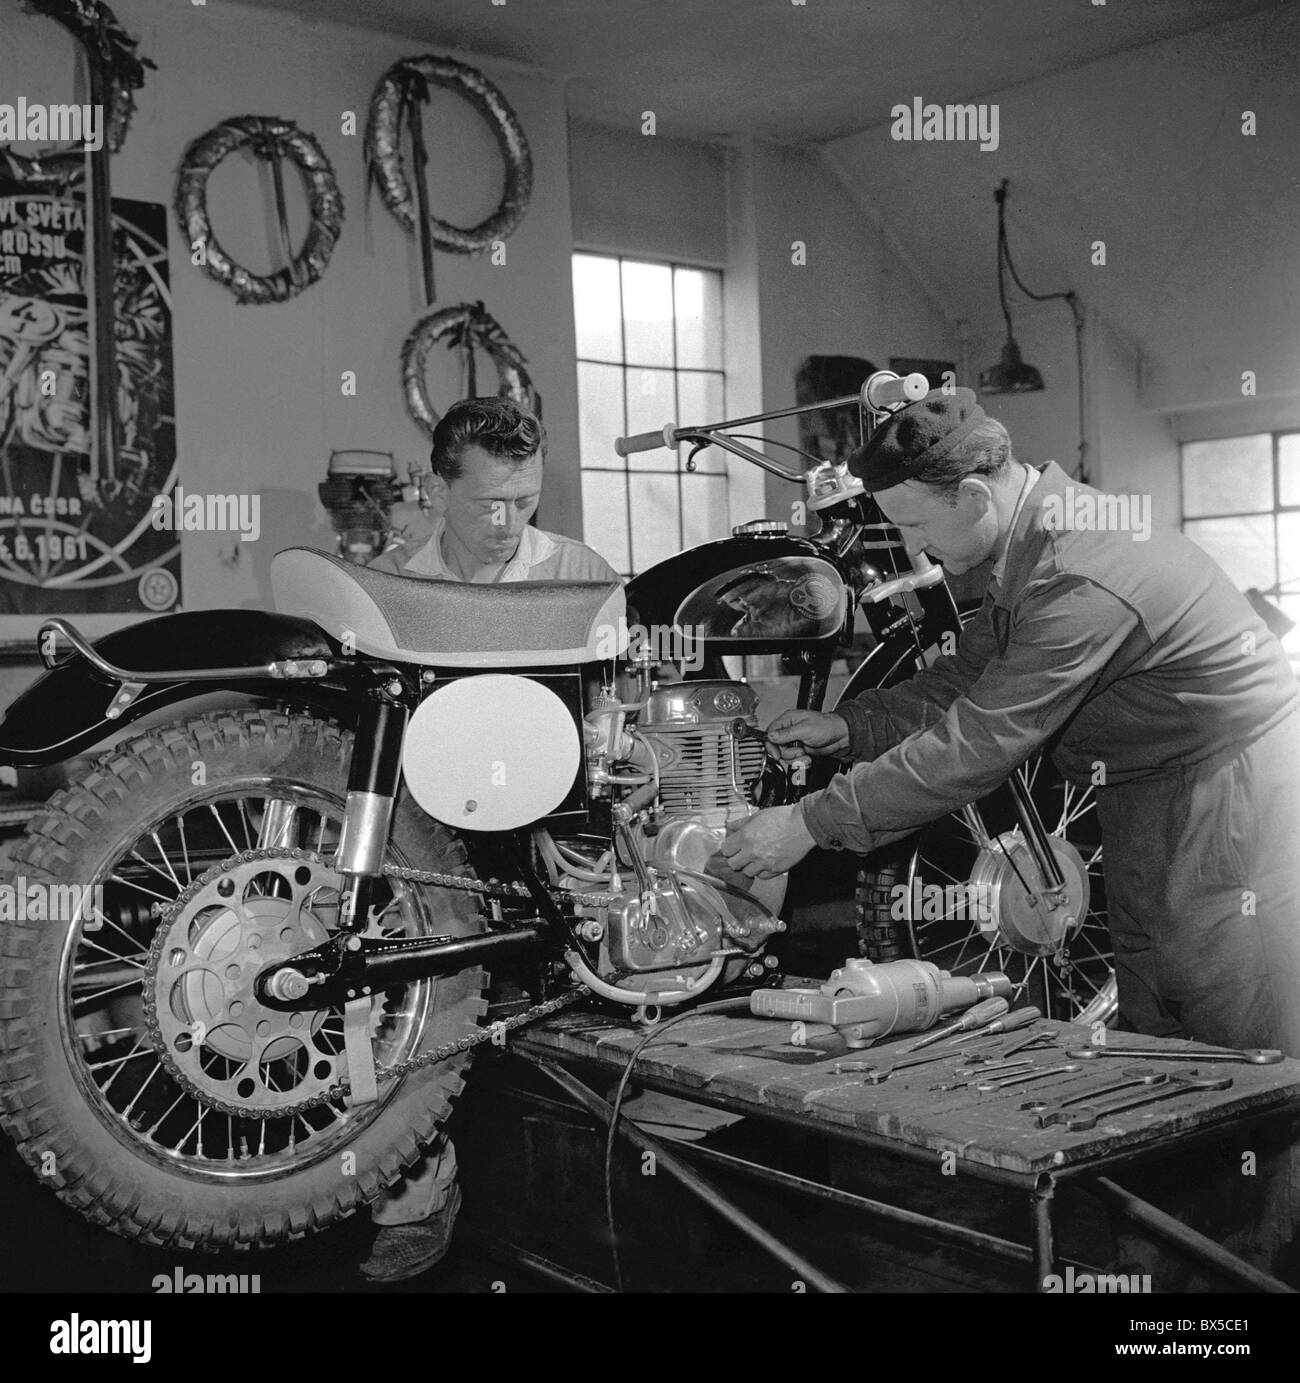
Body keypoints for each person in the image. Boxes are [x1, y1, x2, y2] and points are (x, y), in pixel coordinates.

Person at [720, 387, 1300, 1062]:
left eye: (916, 525)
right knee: (1156, 1037)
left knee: (1239, 1036)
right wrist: (852, 727)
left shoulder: (1079, 569)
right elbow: (967, 678)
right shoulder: (1026, 544)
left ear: (971, 496)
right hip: (1147, 790)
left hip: (1229, 795)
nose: (916, 548)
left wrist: (809, 823)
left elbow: (978, 740)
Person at [360, 396, 619, 1283]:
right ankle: (416, 1188)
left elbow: (615, 709)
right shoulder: (400, 587)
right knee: (400, 999)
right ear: (438, 488)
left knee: (580, 996)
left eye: (526, 500)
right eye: (486, 504)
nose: (509, 523)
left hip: (562, 815)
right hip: (438, 826)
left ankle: (599, 1181)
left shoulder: (578, 571)